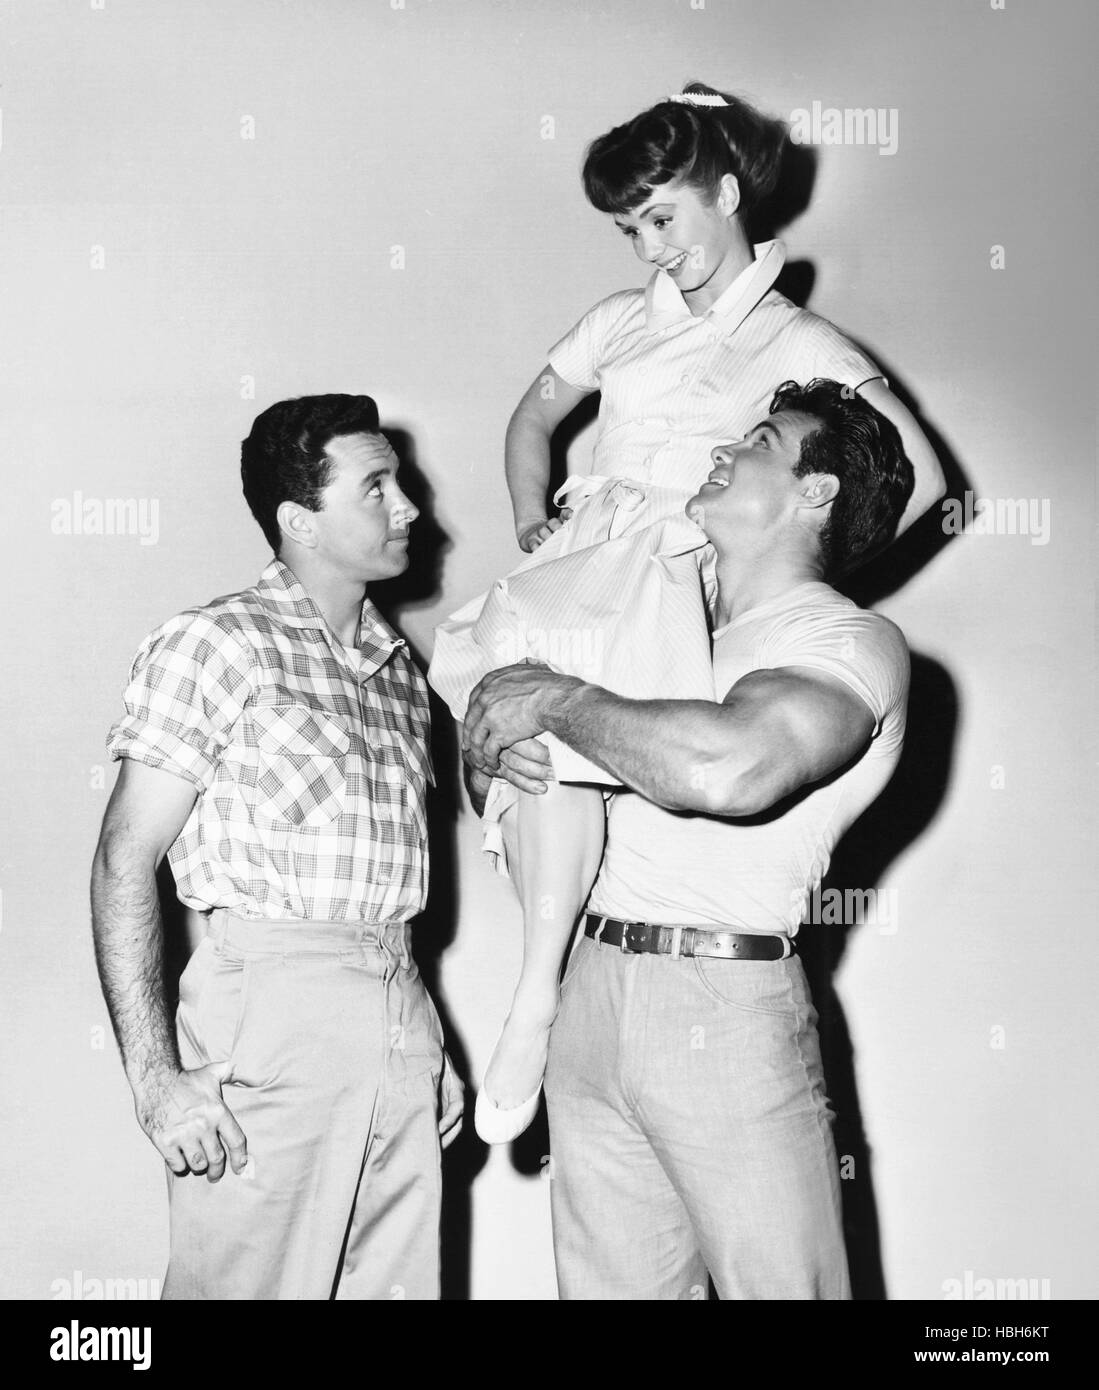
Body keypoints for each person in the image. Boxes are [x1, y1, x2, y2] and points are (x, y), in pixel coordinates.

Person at [430, 82, 944, 1142]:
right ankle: (537, 988)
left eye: (661, 219)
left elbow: (920, 476)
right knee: (525, 745)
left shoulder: (797, 339)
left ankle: (532, 1003)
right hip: (587, 563)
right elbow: (533, 416)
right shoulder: (620, 322)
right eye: (629, 231)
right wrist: (534, 517)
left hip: (674, 577)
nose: (650, 248)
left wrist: (783, 579)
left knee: (576, 734)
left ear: (723, 191)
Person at [463, 379, 913, 1299]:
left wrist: (557, 697)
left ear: (816, 492)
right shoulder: (656, 610)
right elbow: (509, 780)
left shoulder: (846, 640)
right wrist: (502, 754)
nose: (722, 450)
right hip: (588, 988)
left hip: (721, 998)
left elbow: (725, 772)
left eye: (759, 439)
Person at [90, 394, 463, 1301]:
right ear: (300, 520)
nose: (409, 506)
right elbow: (122, 862)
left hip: (396, 1010)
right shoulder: (215, 643)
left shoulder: (401, 674)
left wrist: (419, 1041)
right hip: (269, 1008)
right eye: (377, 487)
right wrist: (156, 1080)